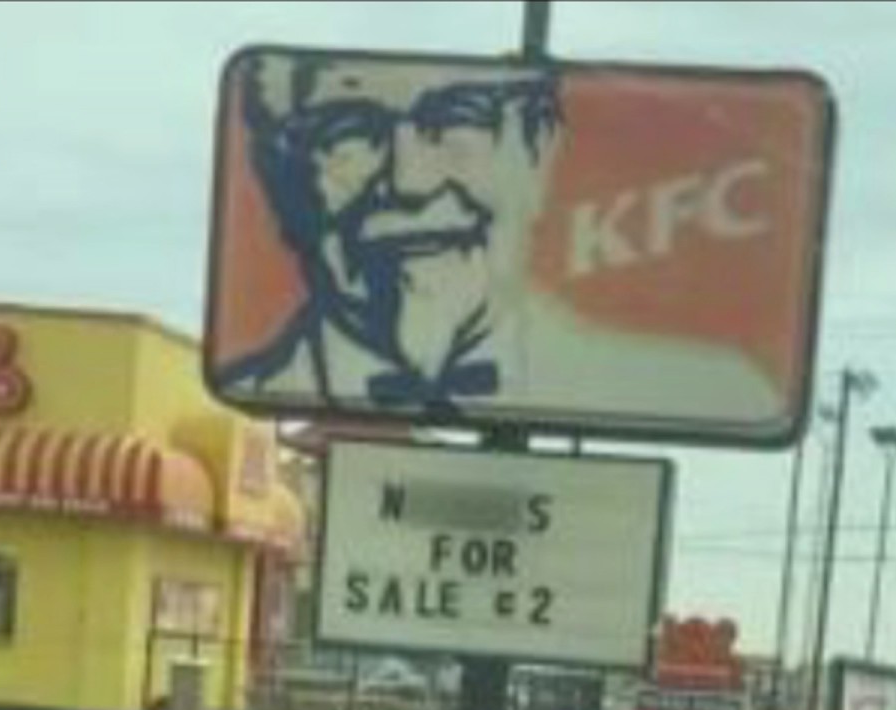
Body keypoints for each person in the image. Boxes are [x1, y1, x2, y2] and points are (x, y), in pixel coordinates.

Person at [211, 50, 782, 431]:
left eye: (460, 119)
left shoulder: (713, 388)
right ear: (279, 185)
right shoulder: (251, 395)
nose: (411, 181)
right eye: (348, 133)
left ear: (539, 154)